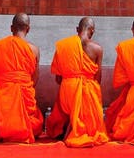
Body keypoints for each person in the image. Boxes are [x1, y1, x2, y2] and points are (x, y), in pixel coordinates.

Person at [0, 12, 43, 143]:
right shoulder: (34, 49)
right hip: (24, 89)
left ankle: (2, 130)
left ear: (11, 28)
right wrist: (22, 85)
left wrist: (4, 86)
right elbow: (34, 78)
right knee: (32, 123)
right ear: (28, 29)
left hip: (1, 91)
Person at [46, 16, 109, 147]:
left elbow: (58, 79)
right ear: (92, 30)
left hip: (67, 90)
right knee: (90, 94)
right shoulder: (97, 49)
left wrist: (71, 82)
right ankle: (79, 129)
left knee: (70, 100)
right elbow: (98, 78)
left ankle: (69, 126)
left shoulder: (63, 45)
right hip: (87, 89)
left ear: (77, 29)